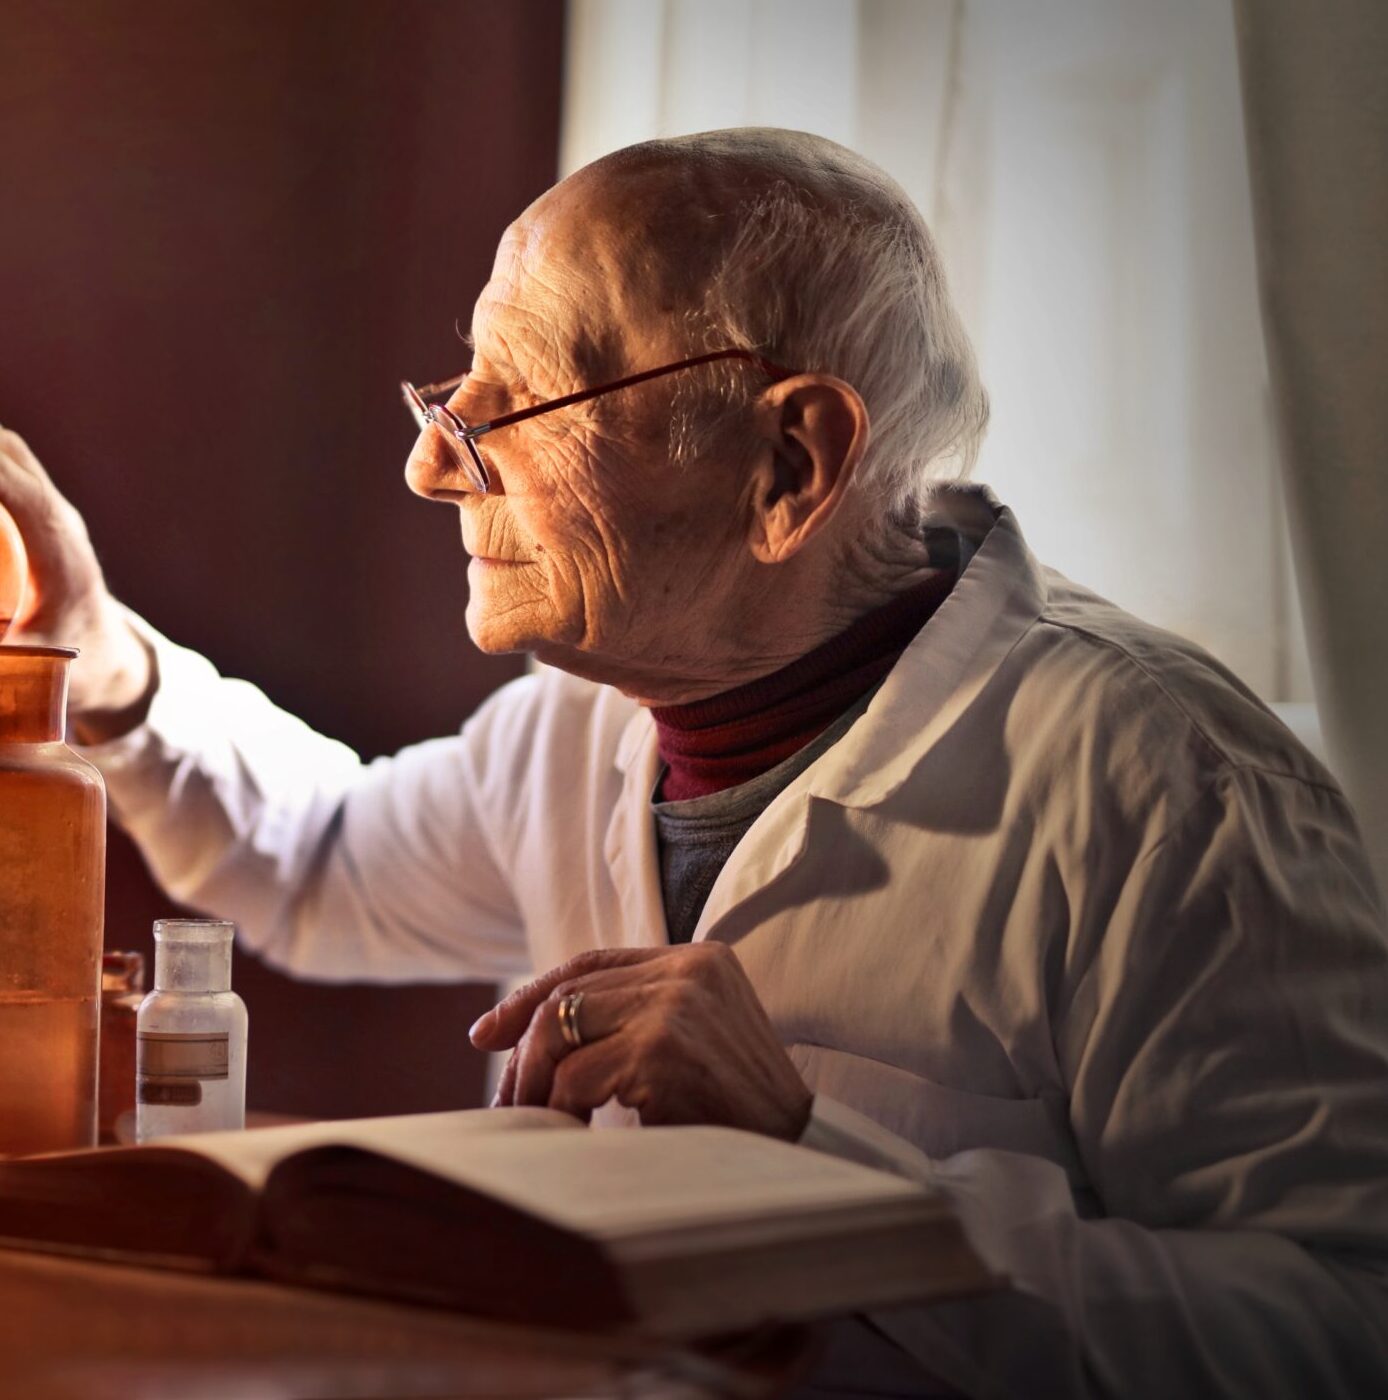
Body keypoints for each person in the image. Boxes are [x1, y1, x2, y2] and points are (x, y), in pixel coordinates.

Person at [2, 128, 1386, 1398]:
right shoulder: (581, 721)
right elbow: (315, 864)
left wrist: (807, 1156)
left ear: (792, 459)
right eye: (450, 393)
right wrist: (99, 656)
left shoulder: (1168, 787)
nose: (433, 471)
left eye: (520, 399)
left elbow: (1336, 1329)